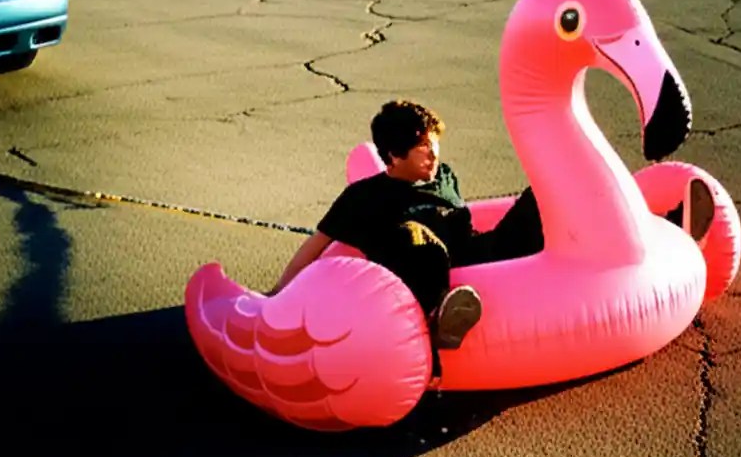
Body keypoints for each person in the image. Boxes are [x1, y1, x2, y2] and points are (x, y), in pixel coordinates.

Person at [269, 99, 714, 384]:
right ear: (393, 156)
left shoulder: (442, 175)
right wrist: (277, 296)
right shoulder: (363, 198)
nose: (434, 155)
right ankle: (439, 321)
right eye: (423, 149)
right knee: (414, 237)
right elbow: (317, 245)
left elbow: (469, 221)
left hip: (482, 254)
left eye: (434, 144)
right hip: (427, 271)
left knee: (546, 192)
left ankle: (655, 229)